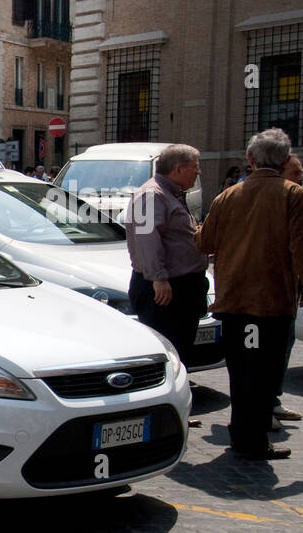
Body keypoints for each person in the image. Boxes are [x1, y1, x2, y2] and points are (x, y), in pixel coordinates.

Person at [195, 129, 303, 460]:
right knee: (265, 374)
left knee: (241, 371)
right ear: (285, 160)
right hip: (270, 303)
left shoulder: (228, 196)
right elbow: (301, 250)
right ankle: (252, 440)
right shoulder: (293, 194)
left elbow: (204, 243)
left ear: (250, 159)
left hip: (235, 301)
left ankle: (242, 434)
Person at [123, 144, 209, 377]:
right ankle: (162, 411)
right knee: (166, 354)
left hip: (181, 287)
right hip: (165, 290)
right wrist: (158, 278)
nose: (198, 172)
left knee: (179, 354)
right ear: (178, 169)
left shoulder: (172, 194)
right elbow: (146, 240)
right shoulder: (151, 194)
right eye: (195, 167)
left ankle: (177, 409)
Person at [271, 153, 303, 424]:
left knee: (284, 346)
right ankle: (262, 408)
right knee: (266, 354)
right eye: (295, 173)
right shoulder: (285, 200)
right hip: (269, 294)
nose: (300, 178)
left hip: (287, 292)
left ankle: (272, 401)